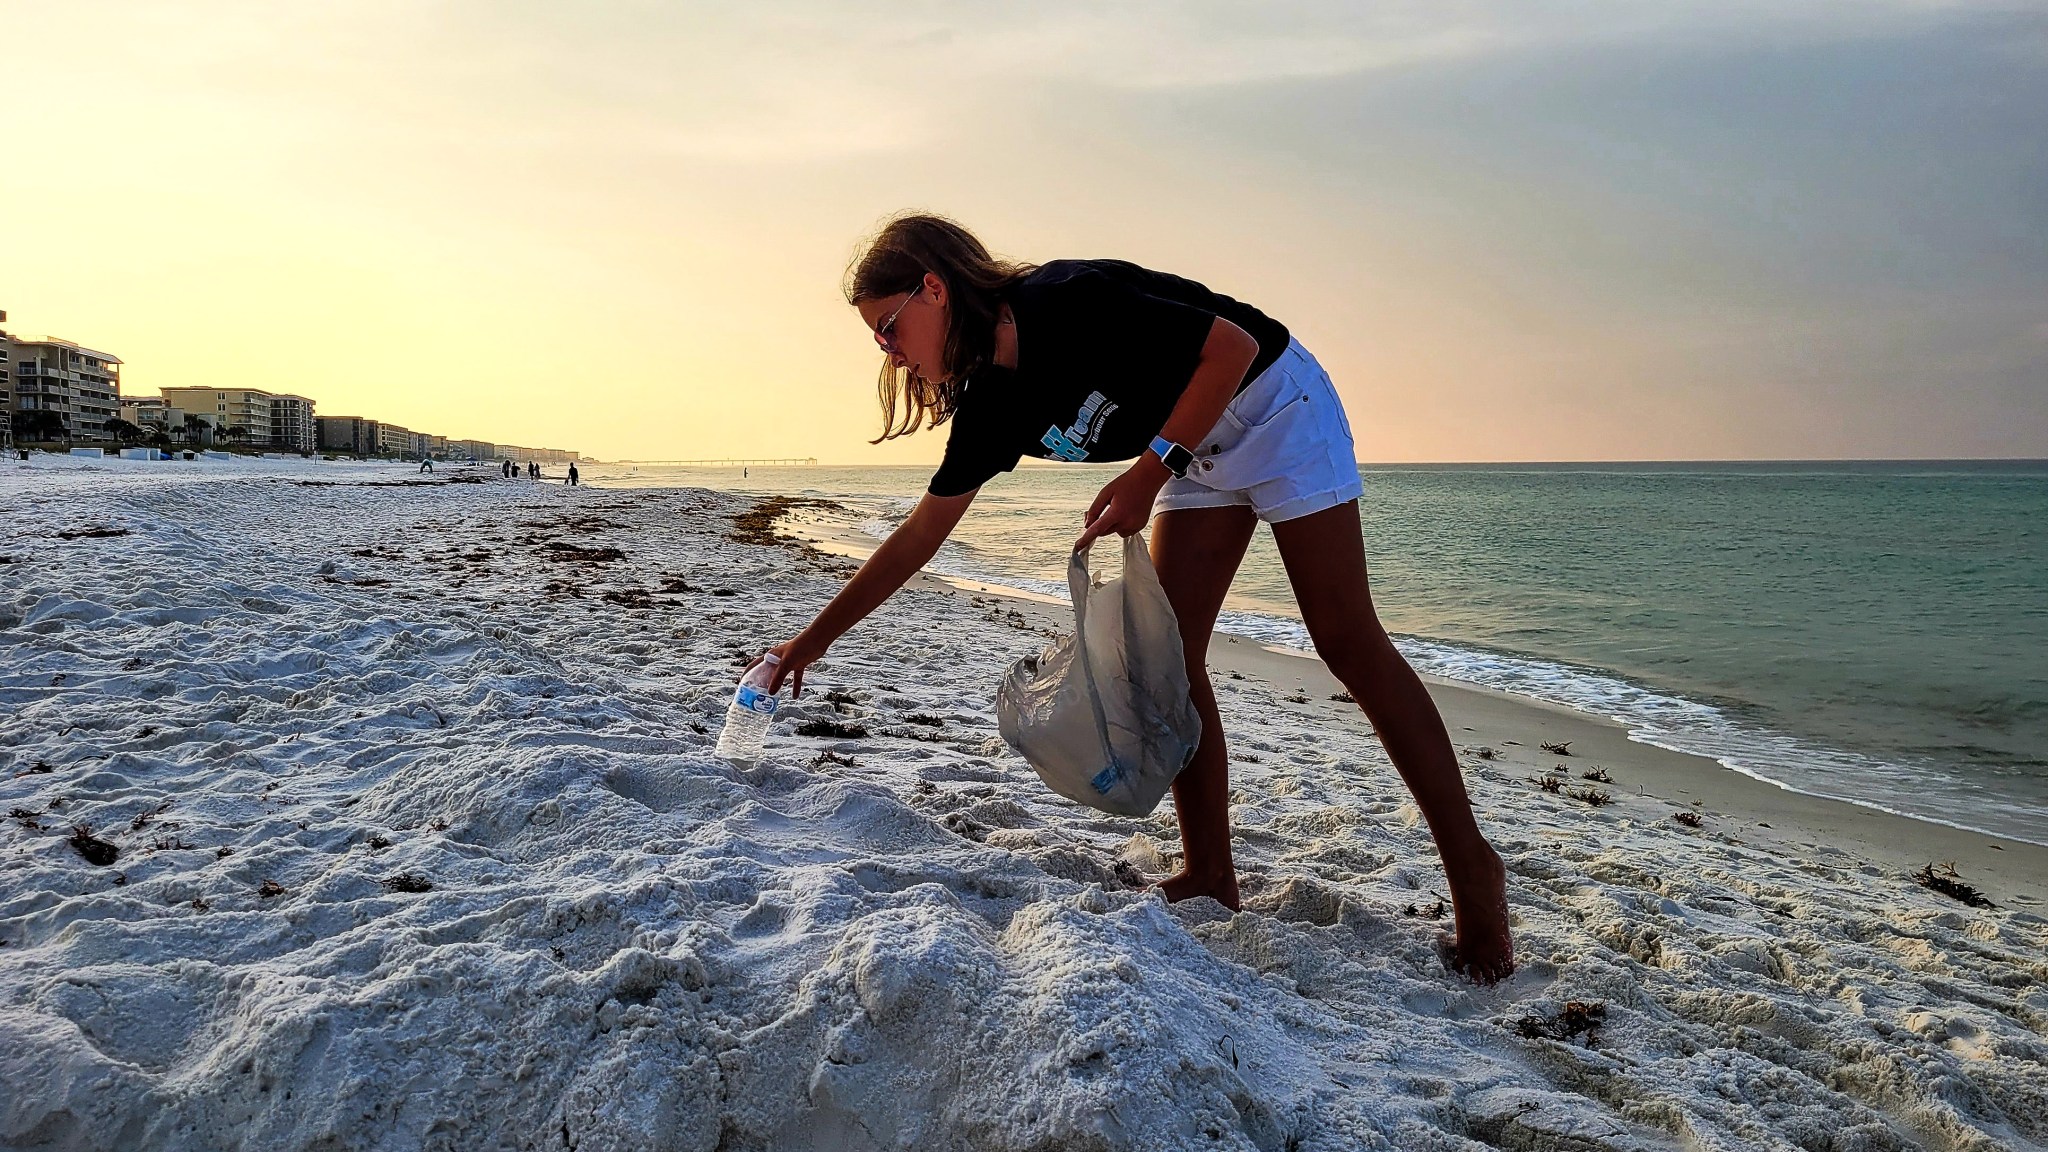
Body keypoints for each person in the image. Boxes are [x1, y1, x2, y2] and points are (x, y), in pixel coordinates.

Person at [757, 214, 1514, 981]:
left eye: (889, 328)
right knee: (1168, 660)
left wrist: (1148, 473)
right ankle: (1212, 875)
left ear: (934, 289)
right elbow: (921, 534)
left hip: (1272, 404)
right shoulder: (990, 403)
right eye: (876, 340)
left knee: (1345, 640)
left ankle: (1474, 875)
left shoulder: (1067, 298)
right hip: (1191, 446)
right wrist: (812, 641)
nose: (888, 351)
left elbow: (1233, 347)